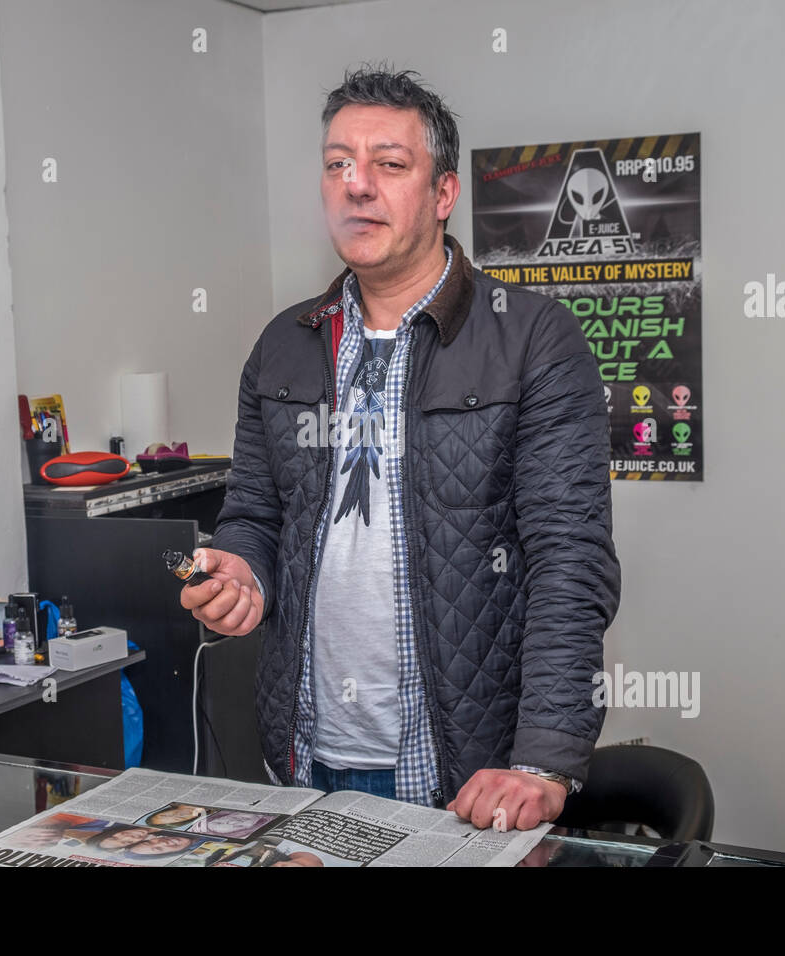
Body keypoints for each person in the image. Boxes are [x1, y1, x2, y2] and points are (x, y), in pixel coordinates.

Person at [180, 65, 621, 831]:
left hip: (465, 772)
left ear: (443, 195)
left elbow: (570, 562)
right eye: (337, 164)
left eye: (388, 164)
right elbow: (255, 512)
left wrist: (544, 758)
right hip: (303, 754)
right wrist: (240, 572)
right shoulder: (284, 346)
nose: (357, 185)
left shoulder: (532, 339)